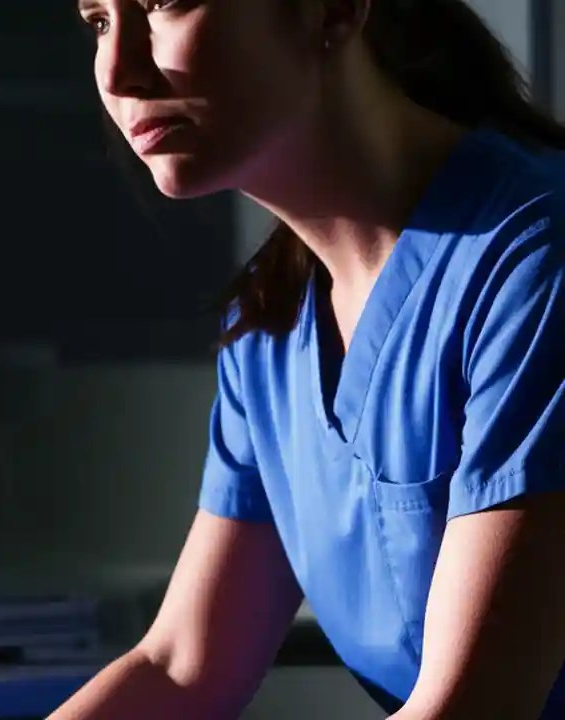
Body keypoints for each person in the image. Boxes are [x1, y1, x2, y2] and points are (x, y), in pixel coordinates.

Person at [49, 0, 565, 718]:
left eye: (163, 4)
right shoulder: (270, 326)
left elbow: (476, 703)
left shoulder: (537, 264)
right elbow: (180, 669)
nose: (119, 71)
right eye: (99, 21)